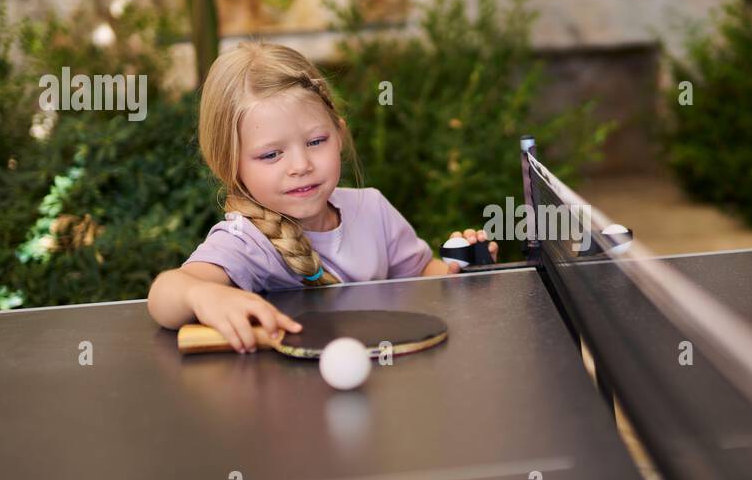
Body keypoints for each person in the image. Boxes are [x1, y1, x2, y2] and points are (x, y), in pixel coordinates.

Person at [147, 41, 495, 351]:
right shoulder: (245, 242)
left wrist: (463, 270)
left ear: (339, 134)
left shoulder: (371, 208)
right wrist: (202, 294)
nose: (300, 165)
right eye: (271, 155)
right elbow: (166, 293)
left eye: (316, 142)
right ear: (229, 164)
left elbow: (422, 276)